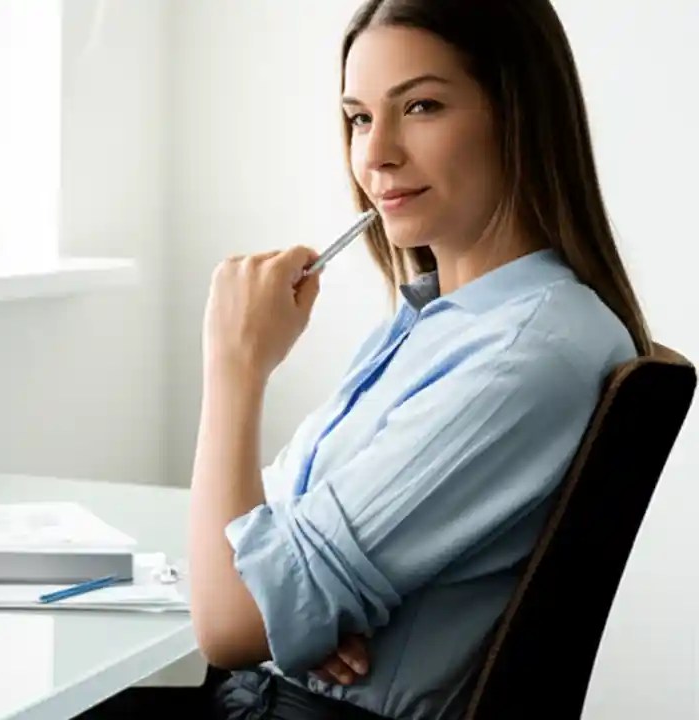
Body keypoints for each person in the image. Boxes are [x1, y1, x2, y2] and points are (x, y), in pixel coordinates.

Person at [183, 1, 651, 719]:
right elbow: (256, 547)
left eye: (422, 106)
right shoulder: (437, 321)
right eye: (360, 117)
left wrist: (233, 368)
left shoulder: (522, 354)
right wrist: (294, 609)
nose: (375, 155)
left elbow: (229, 622)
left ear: (517, 114)